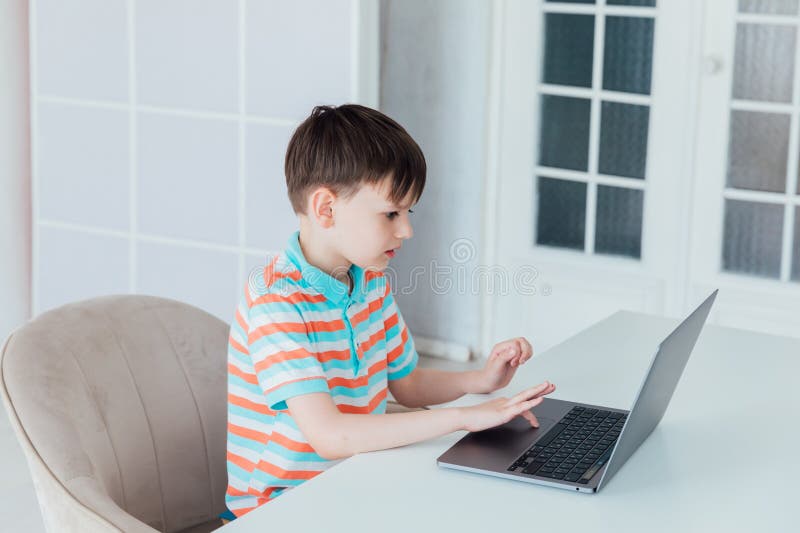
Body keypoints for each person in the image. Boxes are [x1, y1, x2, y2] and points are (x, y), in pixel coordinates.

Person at [223, 104, 555, 519]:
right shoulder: (276, 302)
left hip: (357, 482)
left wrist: (482, 379)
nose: (407, 229)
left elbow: (407, 383)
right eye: (391, 213)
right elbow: (331, 435)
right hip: (280, 510)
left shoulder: (369, 282)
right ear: (326, 208)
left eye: (408, 212)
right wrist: (464, 417)